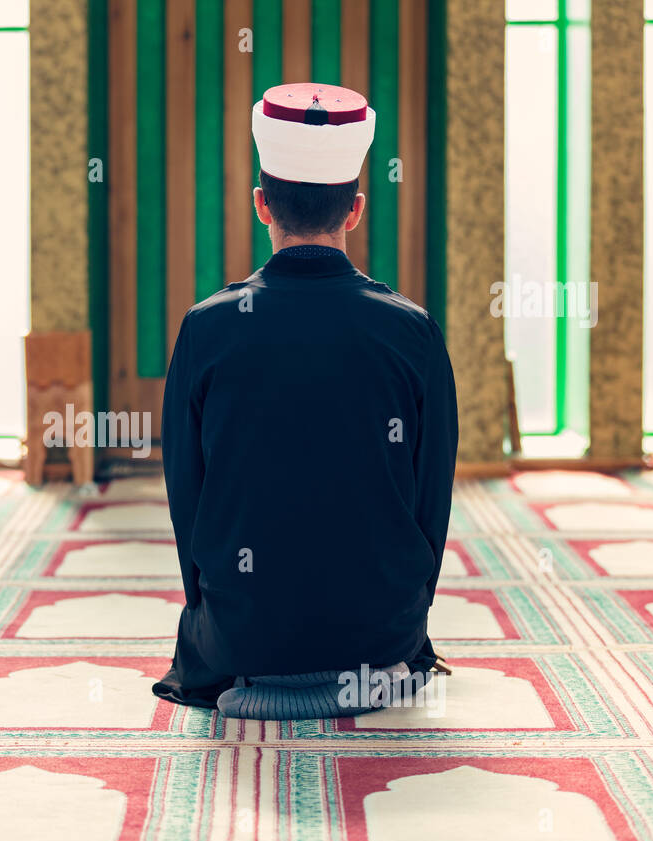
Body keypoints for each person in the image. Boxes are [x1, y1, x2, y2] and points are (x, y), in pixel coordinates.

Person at [153, 83, 459, 720]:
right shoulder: (412, 330)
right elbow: (432, 500)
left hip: (243, 637)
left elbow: (187, 496)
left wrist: (209, 608)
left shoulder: (207, 326)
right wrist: (407, 612)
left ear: (262, 205)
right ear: (355, 210)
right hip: (383, 637)